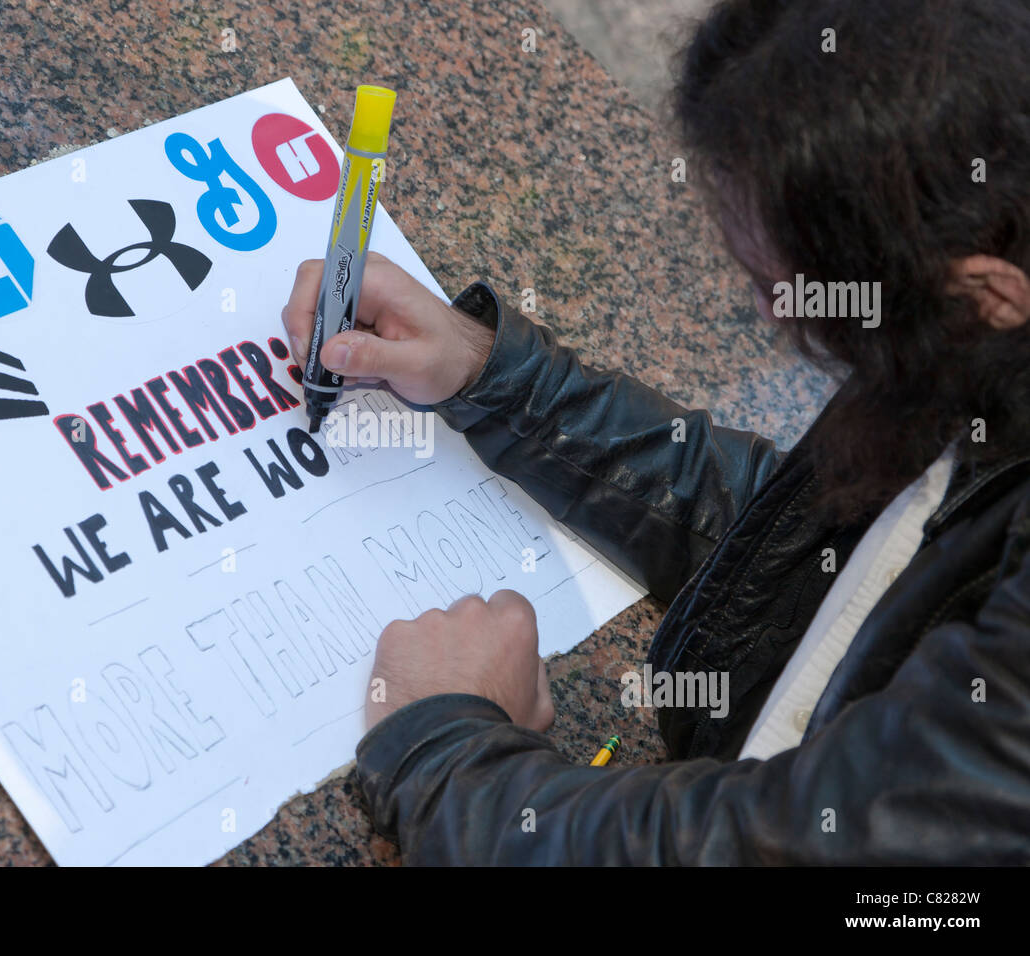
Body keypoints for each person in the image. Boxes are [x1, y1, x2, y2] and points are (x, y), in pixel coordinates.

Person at [280, 0, 1030, 864]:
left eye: (785, 280)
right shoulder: (982, 347)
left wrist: (443, 754)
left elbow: (797, 845)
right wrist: (499, 380)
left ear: (981, 295)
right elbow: (832, 552)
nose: (762, 308)